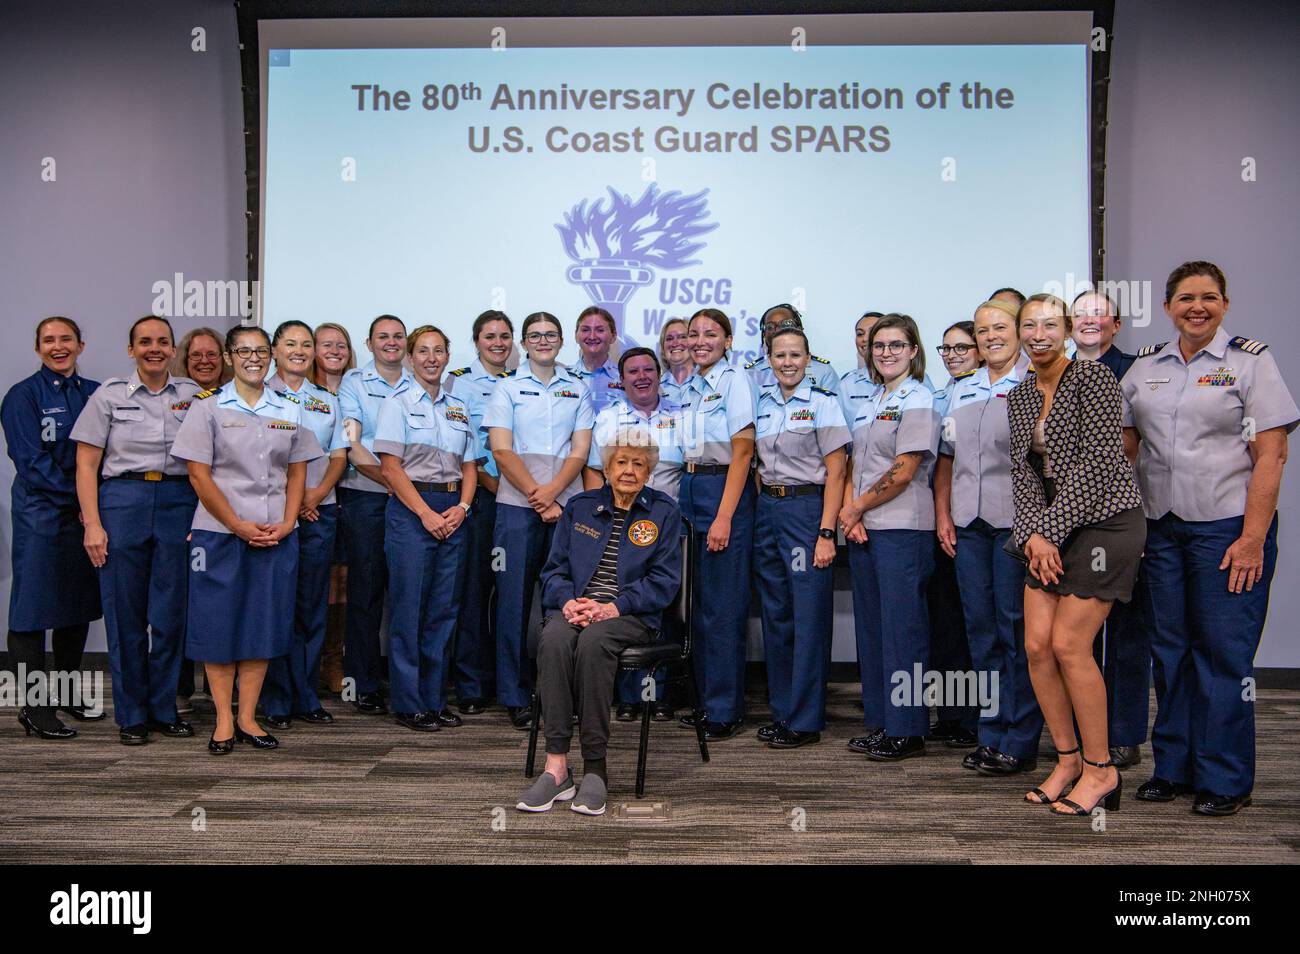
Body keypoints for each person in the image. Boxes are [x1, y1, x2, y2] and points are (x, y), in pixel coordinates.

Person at [1122, 261, 1297, 816]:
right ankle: (1173, 767)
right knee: (1169, 650)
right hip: (1160, 531)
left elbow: (1271, 455)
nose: (1197, 307)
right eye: (1186, 298)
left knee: (1222, 655)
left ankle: (1224, 778)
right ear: (1168, 306)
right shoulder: (1146, 367)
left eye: (1209, 297)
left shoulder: (1251, 361)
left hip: (1227, 529)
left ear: (1224, 304)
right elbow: (1125, 447)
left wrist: (1252, 539)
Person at [1007, 294, 1145, 816]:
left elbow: (1097, 466)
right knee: (1037, 646)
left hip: (1106, 523)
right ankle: (1066, 760)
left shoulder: (1094, 380)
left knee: (1069, 645)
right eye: (1028, 325)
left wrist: (1046, 533)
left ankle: (1100, 769)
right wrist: (1032, 538)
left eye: (1048, 324)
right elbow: (1023, 473)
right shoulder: (1020, 396)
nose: (1037, 334)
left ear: (1066, 329)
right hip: (1048, 529)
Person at [170, 325, 322, 754]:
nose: (253, 358)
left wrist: (290, 521)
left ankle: (248, 717)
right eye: (244, 351)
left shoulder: (291, 407)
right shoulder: (208, 408)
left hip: (275, 533)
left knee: (262, 625)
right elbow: (198, 475)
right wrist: (236, 524)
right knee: (219, 626)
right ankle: (221, 720)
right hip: (220, 533)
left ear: (271, 355)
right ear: (229, 355)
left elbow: (297, 471)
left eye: (260, 351)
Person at [516, 433, 682, 815]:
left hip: (630, 615)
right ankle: (556, 767)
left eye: (638, 463)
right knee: (554, 638)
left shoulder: (664, 512)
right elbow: (554, 570)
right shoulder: (580, 506)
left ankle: (595, 769)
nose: (629, 470)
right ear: (606, 469)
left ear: (649, 470)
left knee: (593, 643)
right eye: (621, 462)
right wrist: (568, 601)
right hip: (576, 607)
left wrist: (616, 605)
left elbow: (664, 582)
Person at [71, 316, 199, 745]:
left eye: (163, 341)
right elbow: (86, 465)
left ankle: (163, 709)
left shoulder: (193, 396)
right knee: (125, 615)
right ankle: (131, 715)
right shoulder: (107, 397)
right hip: (123, 502)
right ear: (132, 350)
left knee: (169, 615)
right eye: (145, 342)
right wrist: (92, 524)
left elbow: (208, 460)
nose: (154, 348)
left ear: (173, 349)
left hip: (179, 503)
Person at [935, 301, 1043, 775]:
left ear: (1018, 332)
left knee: (1015, 633)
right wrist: (943, 515)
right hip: (968, 526)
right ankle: (990, 731)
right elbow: (945, 460)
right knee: (981, 633)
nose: (991, 337)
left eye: (1000, 328)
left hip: (1017, 529)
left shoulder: (1036, 383)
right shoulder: (961, 390)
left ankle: (1020, 739)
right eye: (982, 331)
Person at [483, 312, 594, 729]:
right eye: (534, 336)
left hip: (566, 509)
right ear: (523, 344)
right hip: (516, 507)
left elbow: (580, 452)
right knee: (513, 603)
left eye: (550, 335)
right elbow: (502, 451)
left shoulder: (577, 389)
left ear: (561, 341)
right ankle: (515, 694)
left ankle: (561, 692)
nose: (543, 341)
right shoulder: (507, 389)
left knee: (565, 602)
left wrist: (553, 495)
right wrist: (538, 494)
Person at [838, 314, 939, 761]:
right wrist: (853, 515)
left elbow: (904, 470)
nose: (886, 352)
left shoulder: (919, 398)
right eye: (879, 346)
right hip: (866, 529)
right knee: (875, 630)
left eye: (896, 345)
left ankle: (909, 728)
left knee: (904, 631)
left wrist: (855, 507)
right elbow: (856, 463)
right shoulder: (871, 398)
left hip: (902, 526)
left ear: (914, 351)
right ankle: (882, 722)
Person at [375, 325, 481, 731]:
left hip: (453, 509)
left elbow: (470, 465)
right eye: (423, 351)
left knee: (443, 610)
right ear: (410, 357)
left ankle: (435, 700)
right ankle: (408, 703)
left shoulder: (457, 407)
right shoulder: (396, 403)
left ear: (448, 357)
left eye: (439, 351)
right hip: (411, 510)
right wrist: (424, 513)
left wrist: (464, 507)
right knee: (409, 608)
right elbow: (390, 467)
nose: (431, 358)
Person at [3, 317, 102, 739]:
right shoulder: (22, 396)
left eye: (65, 339)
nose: (57, 346)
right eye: (48, 340)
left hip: (84, 517)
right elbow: (31, 462)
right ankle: (35, 706)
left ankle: (64, 691)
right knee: (33, 610)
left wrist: (93, 508)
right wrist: (84, 503)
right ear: (38, 347)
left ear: (81, 344)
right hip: (42, 515)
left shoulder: (98, 394)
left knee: (75, 605)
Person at [753, 324, 849, 748]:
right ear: (769, 360)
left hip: (807, 511)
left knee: (808, 616)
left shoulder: (824, 404)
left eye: (795, 355)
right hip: (768, 510)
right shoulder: (762, 402)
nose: (787, 362)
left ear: (808, 360)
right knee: (777, 613)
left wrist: (827, 532)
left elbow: (838, 471)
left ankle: (806, 719)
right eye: (780, 355)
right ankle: (783, 711)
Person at [584, 346, 686, 722]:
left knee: (664, 604)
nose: (641, 377)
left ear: (658, 374)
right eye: (633, 372)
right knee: (626, 598)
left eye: (648, 370)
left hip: (669, 523)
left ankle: (660, 695)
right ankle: (629, 696)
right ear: (621, 379)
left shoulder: (682, 414)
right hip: (621, 525)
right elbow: (596, 471)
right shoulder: (609, 417)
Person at [1070, 289, 1148, 768]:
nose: (1089, 322)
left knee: (1124, 634)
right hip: (1067, 523)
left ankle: (1121, 735)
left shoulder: (1135, 370)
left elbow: (1130, 449)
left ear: (1116, 324)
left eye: (1100, 315)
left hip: (1118, 521)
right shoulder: (1052, 371)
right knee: (1070, 639)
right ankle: (1080, 735)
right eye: (1080, 315)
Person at [260, 321, 350, 729]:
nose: (299, 350)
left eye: (306, 344)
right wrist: (293, 505)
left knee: (313, 608)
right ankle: (275, 698)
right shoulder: (258, 397)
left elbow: (338, 456)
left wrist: (312, 498)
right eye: (290, 344)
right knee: (277, 607)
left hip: (320, 511)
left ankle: (306, 695)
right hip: (274, 518)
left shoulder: (326, 400)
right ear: (275, 350)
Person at [677, 308, 756, 741]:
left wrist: (724, 516)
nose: (700, 340)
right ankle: (706, 703)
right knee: (700, 608)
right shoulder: (691, 385)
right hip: (692, 489)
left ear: (728, 340)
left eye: (710, 334)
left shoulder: (735, 380)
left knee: (723, 608)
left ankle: (725, 709)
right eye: (694, 334)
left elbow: (743, 452)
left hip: (722, 492)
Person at [337, 315, 414, 715]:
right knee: (366, 592)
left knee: (407, 592)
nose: (391, 342)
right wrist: (392, 478)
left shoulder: (418, 378)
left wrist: (405, 485)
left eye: (398, 336)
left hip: (411, 498)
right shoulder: (354, 383)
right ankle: (363, 683)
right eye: (383, 337)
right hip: (366, 496)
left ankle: (406, 682)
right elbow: (352, 442)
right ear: (369, 344)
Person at [443, 310, 513, 715]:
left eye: (505, 336)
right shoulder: (458, 382)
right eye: (490, 337)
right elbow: (462, 444)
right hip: (479, 496)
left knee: (507, 594)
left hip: (515, 497)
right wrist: (489, 484)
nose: (498, 343)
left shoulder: (519, 382)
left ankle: (505, 681)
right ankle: (471, 685)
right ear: (476, 341)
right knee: (473, 591)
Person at [925, 320, 983, 749]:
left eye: (962, 347)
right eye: (946, 349)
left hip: (978, 523)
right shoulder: (937, 394)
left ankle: (981, 722)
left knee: (978, 626)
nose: (954, 355)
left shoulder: (993, 388)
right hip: (936, 521)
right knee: (945, 626)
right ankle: (952, 715)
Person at [171, 326, 230, 711]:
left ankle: (217, 686)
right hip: (177, 505)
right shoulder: (172, 397)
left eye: (212, 355)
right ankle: (176, 690)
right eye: (197, 356)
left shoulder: (231, 399)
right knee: (173, 603)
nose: (205, 362)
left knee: (216, 602)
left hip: (221, 511)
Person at [308, 321, 355, 696]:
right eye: (326, 344)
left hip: (355, 494)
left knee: (343, 583)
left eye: (342, 344)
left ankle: (333, 659)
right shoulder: (300, 393)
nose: (335, 350)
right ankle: (304, 666)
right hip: (310, 501)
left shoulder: (357, 388)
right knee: (313, 584)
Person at [745, 304, 839, 394]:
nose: (778, 330)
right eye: (770, 327)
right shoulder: (750, 374)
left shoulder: (823, 371)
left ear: (799, 329)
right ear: (764, 334)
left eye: (786, 324)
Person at [569, 306, 623, 415]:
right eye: (585, 330)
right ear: (576, 336)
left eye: (600, 330)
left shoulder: (626, 378)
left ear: (613, 336)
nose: (592, 336)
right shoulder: (563, 377)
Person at [658, 318, 694, 406]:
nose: (675, 343)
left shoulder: (707, 382)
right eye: (669, 339)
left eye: (682, 337)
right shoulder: (655, 387)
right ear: (663, 347)